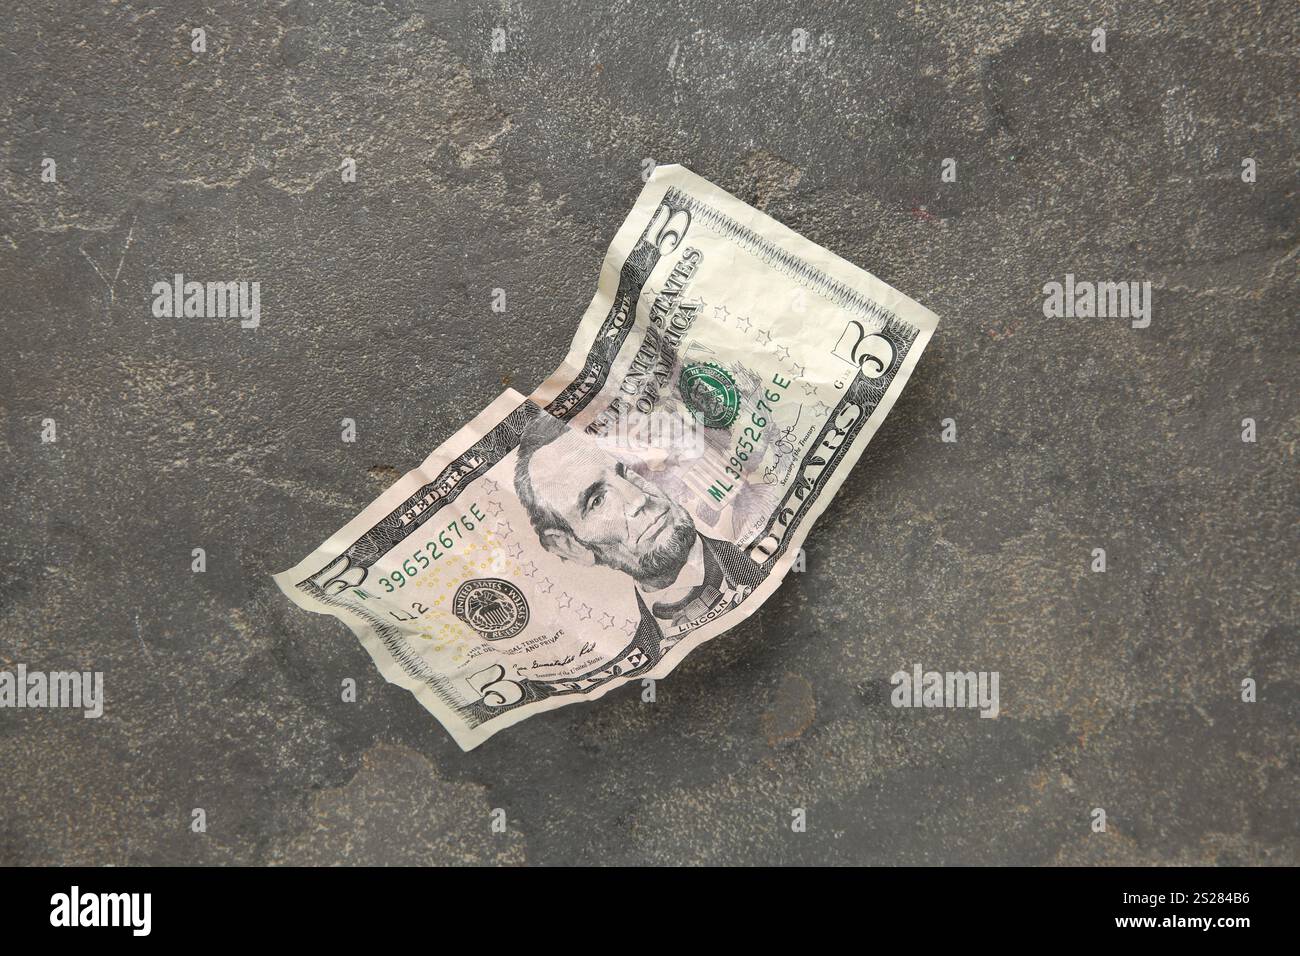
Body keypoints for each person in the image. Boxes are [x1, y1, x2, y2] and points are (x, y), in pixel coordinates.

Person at [514, 412, 757, 660]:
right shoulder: (626, 651)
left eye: (629, 468)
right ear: (570, 546)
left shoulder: (755, 545)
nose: (638, 498)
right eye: (597, 501)